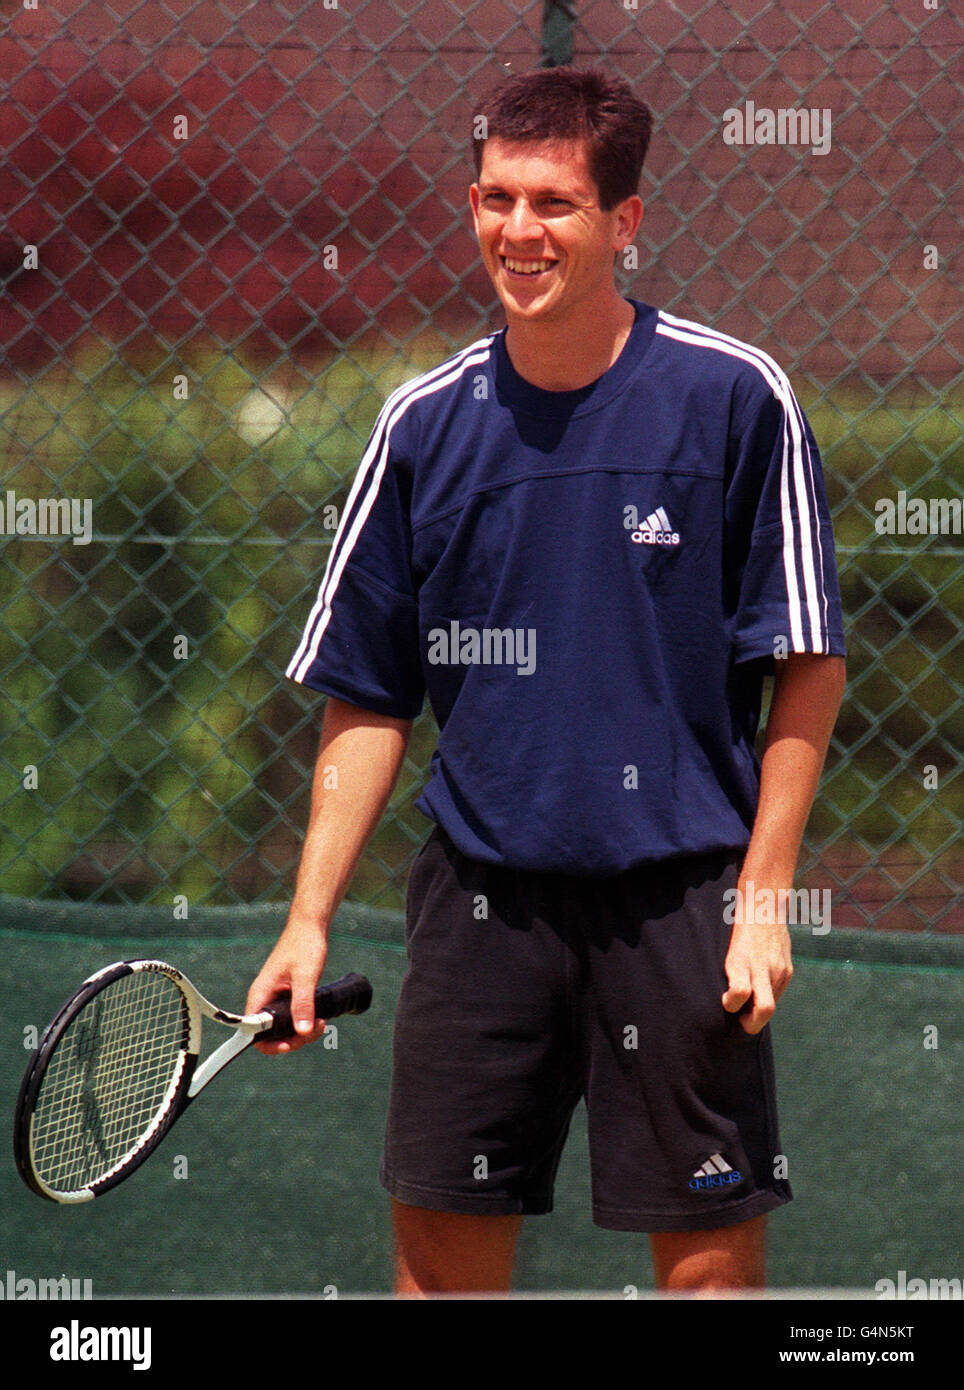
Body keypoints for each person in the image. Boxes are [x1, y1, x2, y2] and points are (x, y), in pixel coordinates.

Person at [246, 66, 846, 1296]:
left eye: (555, 204)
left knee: (709, 1283)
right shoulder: (422, 425)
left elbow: (806, 659)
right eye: (495, 199)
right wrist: (306, 919)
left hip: (681, 903)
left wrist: (765, 890)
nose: (519, 232)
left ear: (623, 221)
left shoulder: (736, 398)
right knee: (442, 1284)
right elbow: (367, 694)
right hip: (480, 911)